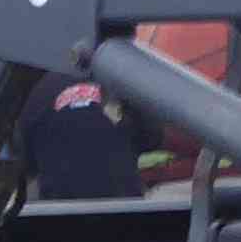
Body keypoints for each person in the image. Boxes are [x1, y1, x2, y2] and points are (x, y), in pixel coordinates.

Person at [18, 72, 149, 198]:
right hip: (124, 205)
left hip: (60, 208)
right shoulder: (129, 80)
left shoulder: (41, 91)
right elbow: (151, 139)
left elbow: (26, 162)